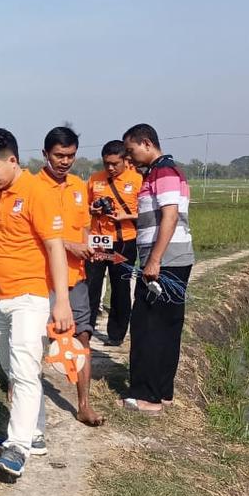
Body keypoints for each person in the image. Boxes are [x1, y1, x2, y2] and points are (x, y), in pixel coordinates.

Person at [0, 128, 74, 479]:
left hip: (31, 297)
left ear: (12, 160)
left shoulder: (36, 193)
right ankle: (35, 434)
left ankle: (17, 448)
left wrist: (62, 303)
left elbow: (56, 247)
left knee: (25, 372)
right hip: (1, 299)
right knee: (14, 370)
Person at [122, 123, 195, 414]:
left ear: (146, 143)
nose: (129, 158)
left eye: (131, 150)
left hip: (165, 263)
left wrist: (154, 260)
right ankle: (163, 392)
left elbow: (170, 216)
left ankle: (147, 398)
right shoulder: (167, 170)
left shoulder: (163, 172)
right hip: (176, 259)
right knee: (167, 327)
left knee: (147, 326)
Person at [36, 126, 104, 426]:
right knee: (34, 340)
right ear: (46, 154)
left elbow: (85, 228)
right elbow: (36, 235)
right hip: (40, 277)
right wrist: (70, 245)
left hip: (76, 276)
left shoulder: (79, 186)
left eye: (71, 156)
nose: (65, 161)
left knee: (83, 336)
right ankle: (20, 392)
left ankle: (84, 405)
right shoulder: (32, 188)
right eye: (59, 155)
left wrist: (88, 247)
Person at [85, 140, 141, 346]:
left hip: (124, 241)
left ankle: (116, 334)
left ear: (125, 160)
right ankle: (85, 331)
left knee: (120, 288)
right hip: (97, 241)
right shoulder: (95, 179)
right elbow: (83, 207)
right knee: (91, 286)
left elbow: (148, 214)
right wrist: (92, 210)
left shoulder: (137, 180)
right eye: (106, 163)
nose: (110, 168)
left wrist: (125, 216)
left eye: (115, 164)